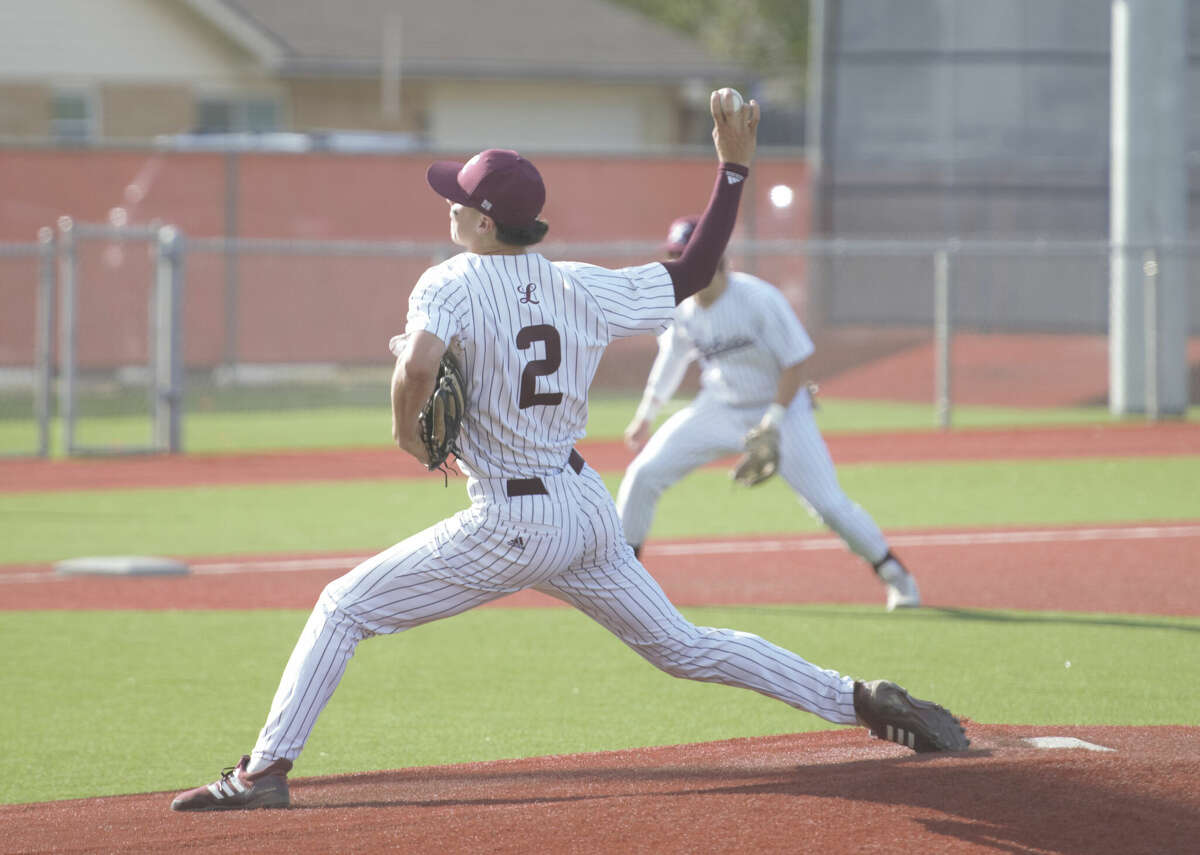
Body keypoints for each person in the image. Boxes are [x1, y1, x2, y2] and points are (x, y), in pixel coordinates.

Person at [171, 91, 966, 812]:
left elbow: (417, 367)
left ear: (484, 222)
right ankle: (863, 699)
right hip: (582, 506)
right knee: (685, 646)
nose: (449, 206)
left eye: (458, 200)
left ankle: (263, 771)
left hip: (512, 519)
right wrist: (732, 170)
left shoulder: (446, 283)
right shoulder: (581, 284)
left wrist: (406, 430)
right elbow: (692, 269)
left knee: (343, 607)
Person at [615, 221, 922, 611]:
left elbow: (796, 363)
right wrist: (646, 414)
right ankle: (623, 579)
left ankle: (894, 573)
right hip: (719, 408)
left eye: (687, 254)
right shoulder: (682, 307)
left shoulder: (758, 298)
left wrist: (772, 423)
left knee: (828, 505)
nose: (679, 262)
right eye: (675, 255)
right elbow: (672, 357)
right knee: (644, 474)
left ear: (715, 255)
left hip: (782, 409)